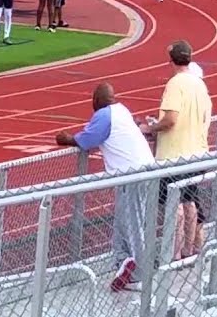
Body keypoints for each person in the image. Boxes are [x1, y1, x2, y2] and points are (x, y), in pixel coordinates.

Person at [58, 83, 155, 292]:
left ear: (96, 100)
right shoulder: (122, 110)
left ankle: (138, 275)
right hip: (139, 172)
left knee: (132, 222)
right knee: (123, 221)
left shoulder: (104, 115)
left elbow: (88, 139)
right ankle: (124, 263)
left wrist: (67, 139)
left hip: (132, 175)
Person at [139, 40, 211, 259]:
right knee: (190, 202)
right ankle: (188, 250)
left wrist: (150, 127)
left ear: (171, 59)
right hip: (197, 153)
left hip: (174, 155)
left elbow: (170, 119)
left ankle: (173, 252)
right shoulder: (200, 84)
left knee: (175, 205)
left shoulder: (175, 84)